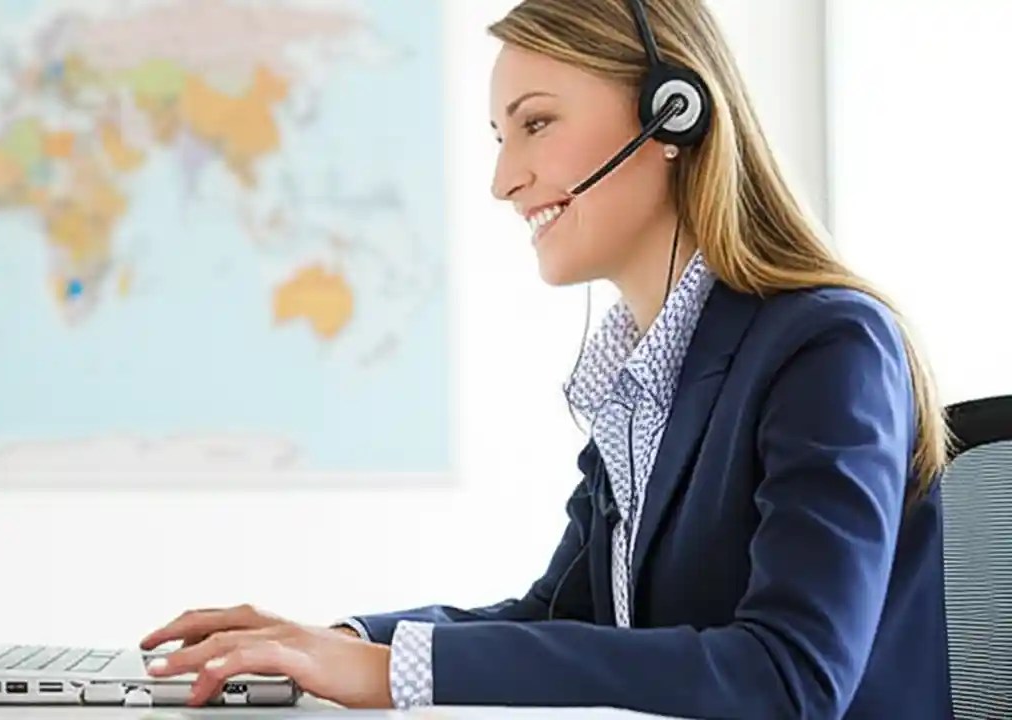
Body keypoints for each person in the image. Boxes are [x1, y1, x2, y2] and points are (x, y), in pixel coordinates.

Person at [138, 0, 954, 717]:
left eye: (534, 124)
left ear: (672, 116)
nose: (503, 179)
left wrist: (394, 674)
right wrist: (335, 643)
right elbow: (562, 615)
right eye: (501, 136)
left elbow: (790, 678)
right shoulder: (643, 377)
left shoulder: (828, 348)